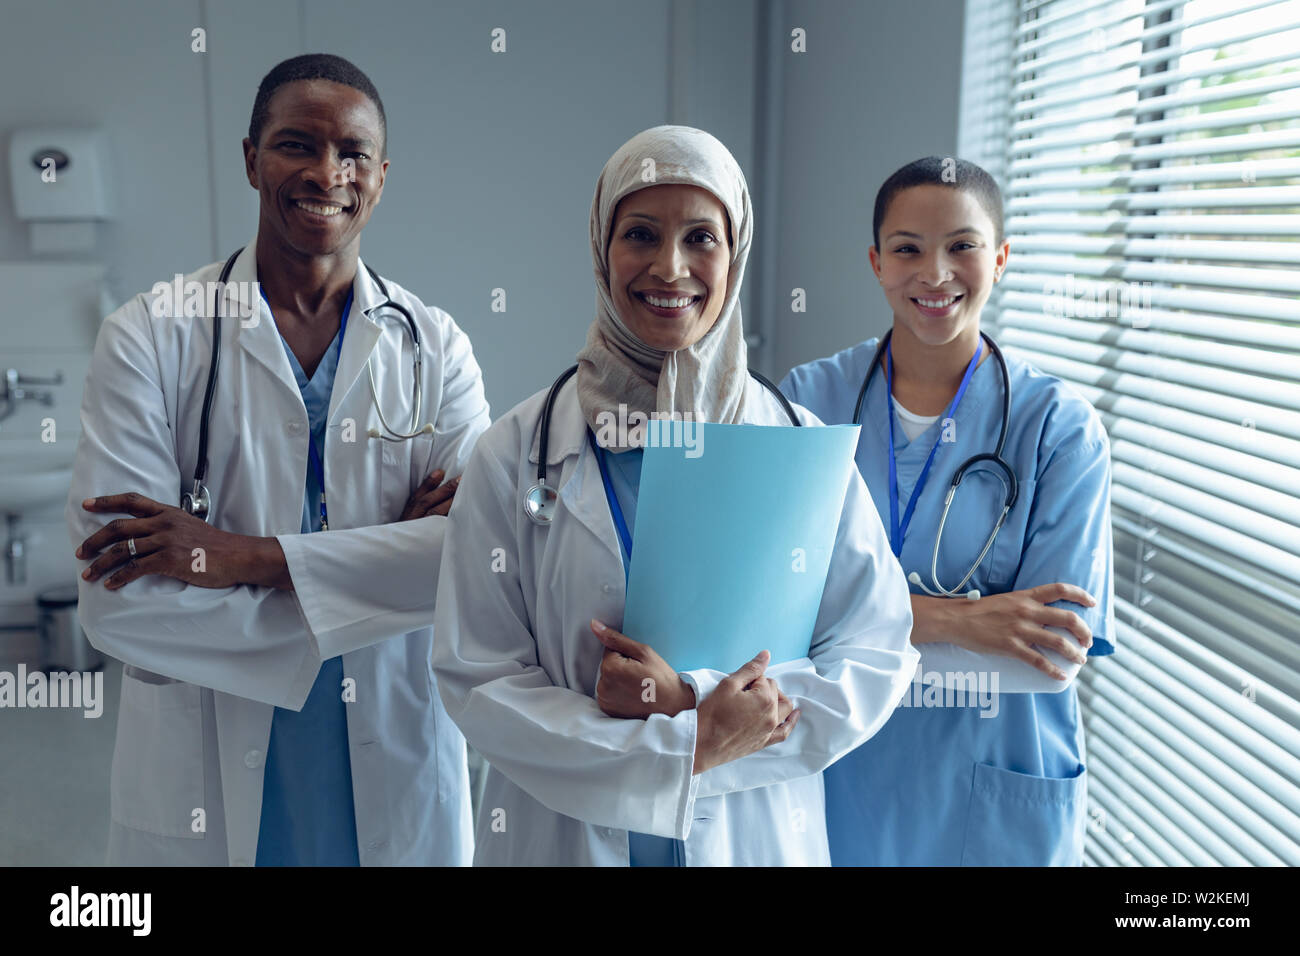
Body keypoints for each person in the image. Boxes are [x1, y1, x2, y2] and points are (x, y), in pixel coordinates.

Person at [431, 125, 918, 866]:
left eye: (700, 237)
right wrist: (684, 748)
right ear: (602, 248)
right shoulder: (515, 451)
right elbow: (479, 679)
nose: (670, 266)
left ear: (736, 253)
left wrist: (691, 704)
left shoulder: (794, 445)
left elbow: (874, 654)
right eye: (640, 234)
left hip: (750, 835)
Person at [65, 54, 490, 866]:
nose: (327, 173)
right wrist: (379, 575)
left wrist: (239, 559)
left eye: (353, 152)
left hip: (391, 753)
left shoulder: (435, 347)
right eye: (297, 144)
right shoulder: (151, 337)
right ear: (252, 157)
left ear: (382, 174)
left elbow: (471, 565)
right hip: (205, 763)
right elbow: (117, 601)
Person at [779, 156, 1115, 866]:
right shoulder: (808, 401)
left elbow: (1044, 658)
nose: (934, 274)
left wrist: (845, 629)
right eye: (908, 248)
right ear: (876, 262)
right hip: (840, 781)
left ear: (1000, 258)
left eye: (961, 246)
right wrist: (959, 621)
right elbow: (771, 618)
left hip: (990, 797)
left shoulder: (1059, 428)